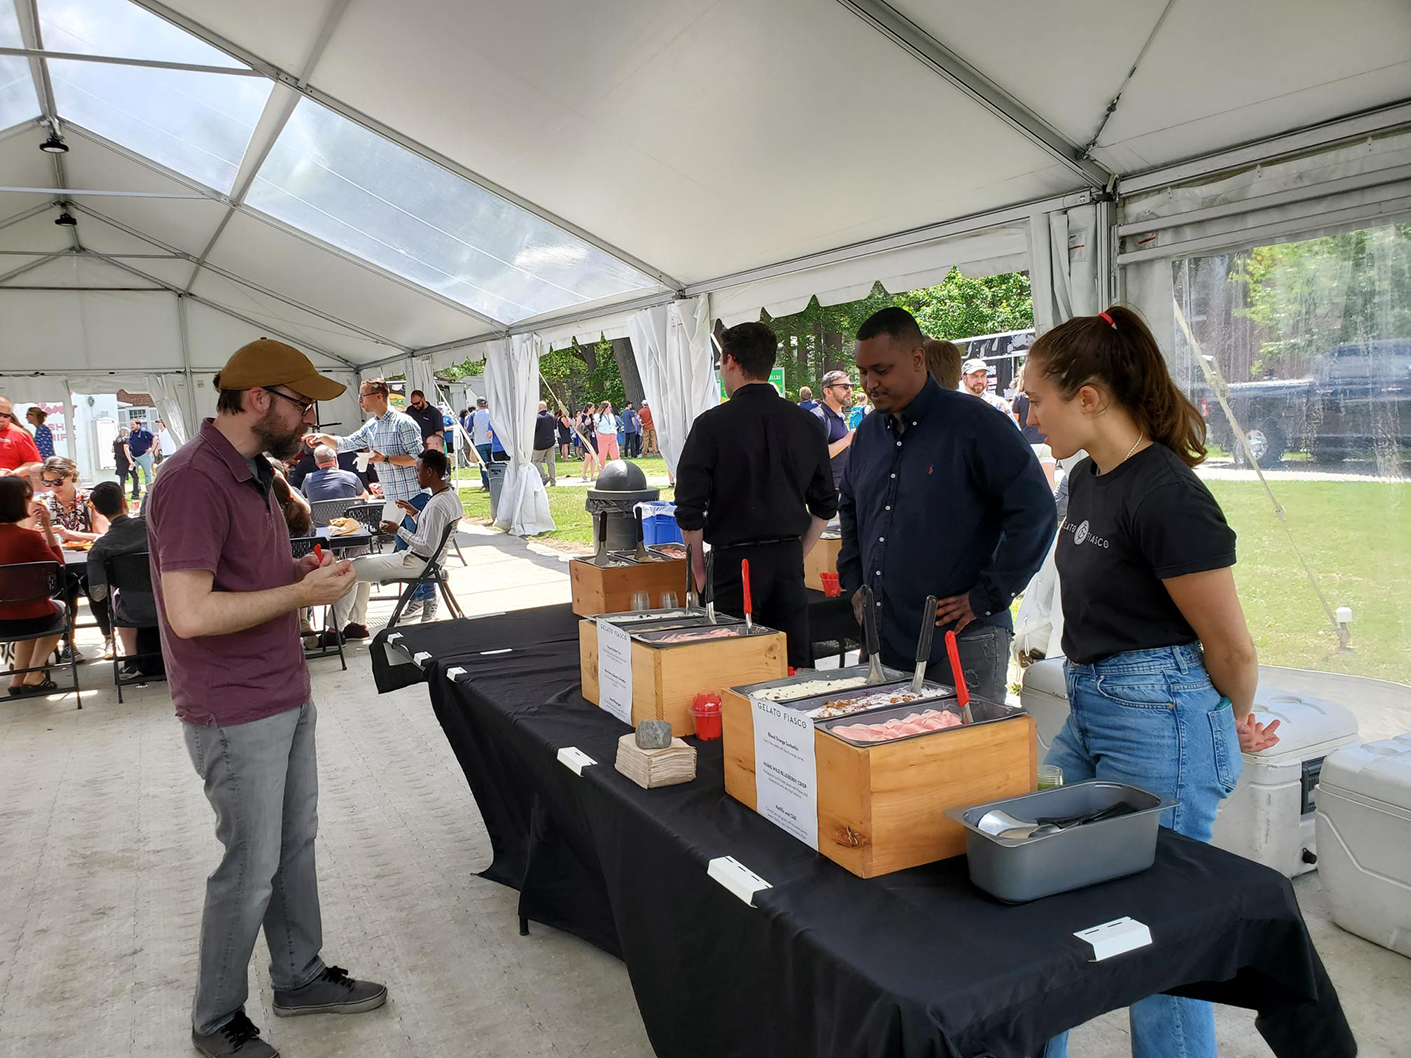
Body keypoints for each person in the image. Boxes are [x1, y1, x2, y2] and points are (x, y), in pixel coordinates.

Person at [1020, 308, 1278, 1058]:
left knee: (1154, 941)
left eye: (1037, 398)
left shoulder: (1167, 493)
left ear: (1090, 396)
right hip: (1092, 699)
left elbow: (1228, 645)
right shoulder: (1085, 479)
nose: (1028, 414)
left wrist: (1229, 718)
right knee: (1044, 897)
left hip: (1159, 712)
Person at [146, 338, 382, 1058]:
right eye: (301, 403)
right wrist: (298, 591)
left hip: (279, 688)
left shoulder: (252, 472)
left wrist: (296, 567)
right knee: (248, 868)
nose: (311, 418)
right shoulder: (191, 479)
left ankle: (299, 975)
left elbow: (241, 578)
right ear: (257, 400)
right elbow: (189, 612)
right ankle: (216, 1022)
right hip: (232, 705)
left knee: (291, 849)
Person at [841, 307, 1054, 702]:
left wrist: (988, 594)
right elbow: (852, 508)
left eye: (882, 370)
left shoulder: (977, 425)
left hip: (961, 640)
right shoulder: (869, 433)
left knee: (964, 760)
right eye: (863, 372)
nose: (870, 383)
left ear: (917, 359)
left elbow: (1036, 512)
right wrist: (853, 580)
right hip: (885, 638)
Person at [675, 322, 836, 669]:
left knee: (736, 668)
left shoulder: (711, 425)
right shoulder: (807, 423)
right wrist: (798, 551)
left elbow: (689, 507)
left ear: (730, 361)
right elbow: (825, 503)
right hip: (785, 562)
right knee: (793, 668)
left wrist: (699, 570)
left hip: (736, 565)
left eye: (720, 363)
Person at [351, 448, 464, 623]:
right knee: (356, 568)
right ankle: (355, 624)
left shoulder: (437, 504)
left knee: (352, 569)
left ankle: (341, 628)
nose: (416, 475)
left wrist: (398, 530)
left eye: (417, 470)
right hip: (422, 561)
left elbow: (428, 546)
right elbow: (434, 530)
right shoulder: (449, 497)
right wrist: (414, 513)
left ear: (429, 471)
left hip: (417, 563)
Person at [305, 377, 424, 513]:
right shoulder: (371, 426)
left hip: (414, 498)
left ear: (379, 396)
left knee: (416, 535)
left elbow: (418, 460)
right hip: (393, 502)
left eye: (363, 395)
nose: (359, 400)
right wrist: (323, 437)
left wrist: (385, 459)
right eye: (358, 396)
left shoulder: (404, 423)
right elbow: (346, 444)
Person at [0, 476, 66, 696]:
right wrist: (47, 528)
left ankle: (16, 681)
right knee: (60, 611)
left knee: (27, 614)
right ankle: (35, 674)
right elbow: (59, 568)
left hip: (5, 617)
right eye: (28, 497)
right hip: (28, 615)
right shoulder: (27, 538)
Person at [85, 480, 160, 673]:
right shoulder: (152, 526)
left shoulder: (100, 548)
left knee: (119, 601)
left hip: (134, 610)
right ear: (124, 502)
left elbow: (98, 594)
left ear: (99, 512)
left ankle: (131, 658)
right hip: (168, 602)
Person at [39, 456, 106, 543]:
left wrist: (68, 534)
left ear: (71, 475)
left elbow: (103, 537)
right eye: (47, 483)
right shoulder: (41, 503)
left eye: (58, 481)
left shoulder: (92, 499)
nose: (53, 487)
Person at [811, 369, 855, 493]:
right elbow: (817, 456)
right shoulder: (818, 417)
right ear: (828, 391)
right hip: (826, 492)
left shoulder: (840, 415)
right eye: (844, 387)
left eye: (850, 386)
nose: (849, 390)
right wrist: (847, 440)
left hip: (844, 488)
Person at [301, 445, 367, 503]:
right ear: (335, 459)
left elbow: (304, 497)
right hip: (346, 517)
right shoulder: (351, 476)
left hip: (319, 517)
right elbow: (364, 496)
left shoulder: (308, 479)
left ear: (317, 463)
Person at [0, 395, 43, 481]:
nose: (2, 419)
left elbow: (34, 463)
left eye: (6, 416)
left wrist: (12, 474)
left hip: (8, 487)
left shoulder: (19, 434)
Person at [1010, 364, 1048, 445]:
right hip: (1046, 441)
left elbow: (1015, 423)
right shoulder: (1046, 395)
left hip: (1028, 441)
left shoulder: (1019, 398)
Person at [127, 419, 157, 495]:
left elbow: (155, 438)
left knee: (147, 474)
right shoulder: (132, 433)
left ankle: (149, 490)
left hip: (144, 455)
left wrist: (152, 449)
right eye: (131, 425)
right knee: (135, 474)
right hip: (135, 456)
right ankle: (137, 488)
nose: (132, 426)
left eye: (133, 425)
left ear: (138, 424)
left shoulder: (145, 431)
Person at [532, 401, 558, 486]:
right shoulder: (552, 417)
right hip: (551, 442)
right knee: (551, 463)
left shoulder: (537, 418)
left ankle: (544, 476)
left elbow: (533, 431)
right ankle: (553, 481)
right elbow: (554, 427)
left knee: (536, 461)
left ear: (539, 408)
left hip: (539, 444)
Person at [471, 397, 493, 490]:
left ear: (477, 405)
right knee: (493, 462)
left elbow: (468, 429)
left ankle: (486, 484)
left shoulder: (473, 415)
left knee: (483, 463)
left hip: (479, 442)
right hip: (491, 441)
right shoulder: (491, 413)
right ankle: (494, 481)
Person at [578, 402, 600, 480]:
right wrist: (585, 424)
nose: (594, 409)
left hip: (593, 437)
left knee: (594, 456)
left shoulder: (592, 417)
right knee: (587, 456)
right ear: (588, 408)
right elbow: (577, 428)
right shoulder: (581, 417)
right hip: (585, 438)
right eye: (593, 408)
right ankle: (584, 473)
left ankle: (592, 475)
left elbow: (594, 428)